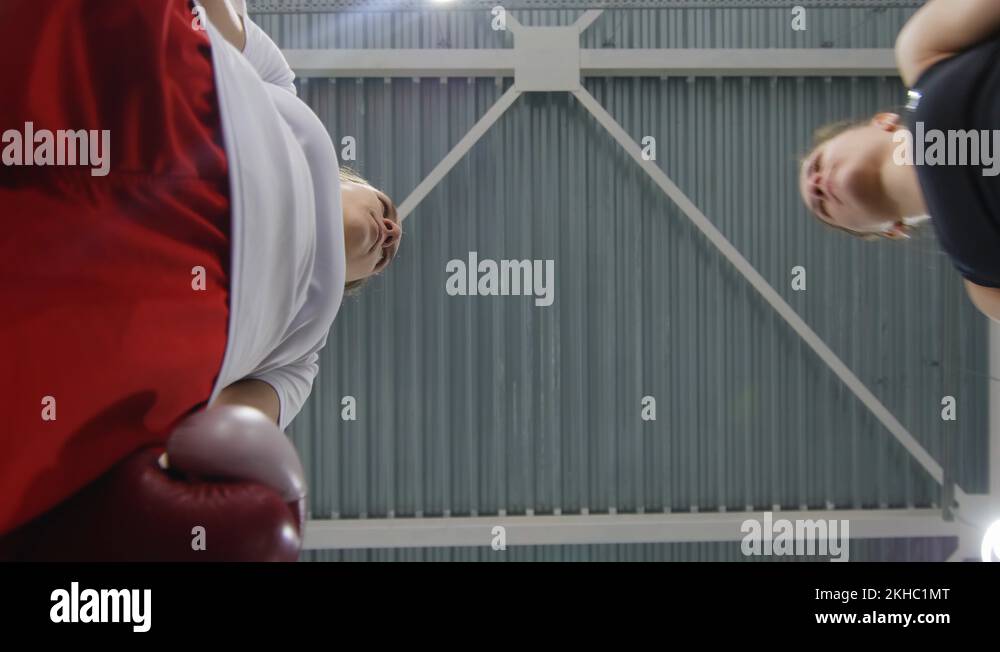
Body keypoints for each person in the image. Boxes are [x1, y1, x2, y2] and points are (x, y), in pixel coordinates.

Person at [0, 0, 400, 534]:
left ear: (353, 282)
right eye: (389, 209)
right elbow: (217, 20)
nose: (390, 233)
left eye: (385, 255)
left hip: (153, 316)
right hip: (172, 105)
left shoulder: (302, 358)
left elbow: (217, 432)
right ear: (349, 179)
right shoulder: (284, 89)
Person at [798, 0, 1000, 322]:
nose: (816, 185)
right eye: (822, 207)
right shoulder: (985, 287)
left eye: (817, 165)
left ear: (882, 121)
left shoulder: (922, 52)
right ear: (892, 231)